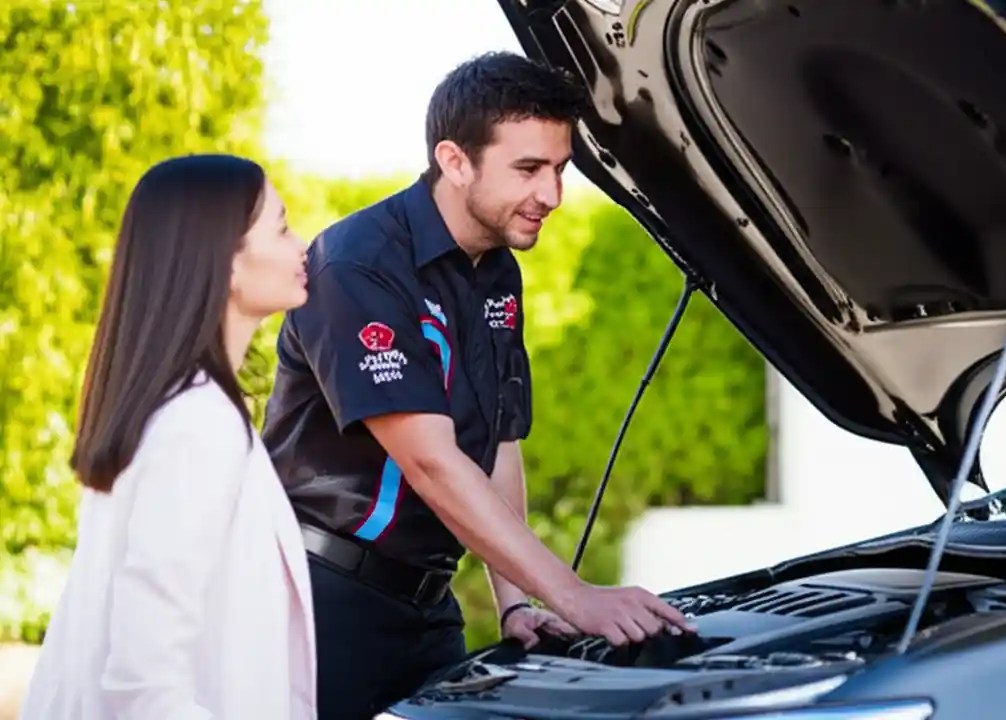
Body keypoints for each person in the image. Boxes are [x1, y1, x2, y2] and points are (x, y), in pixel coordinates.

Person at [261, 51, 693, 719]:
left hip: (429, 609)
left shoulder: (496, 269)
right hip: (321, 602)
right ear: (455, 161)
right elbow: (431, 461)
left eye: (560, 170)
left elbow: (498, 442)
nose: (552, 195)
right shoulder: (358, 267)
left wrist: (515, 602)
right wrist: (572, 594)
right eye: (528, 169)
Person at [20, 154, 317, 720]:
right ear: (226, 260)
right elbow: (145, 684)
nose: (301, 246)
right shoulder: (196, 425)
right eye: (281, 229)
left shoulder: (181, 409)